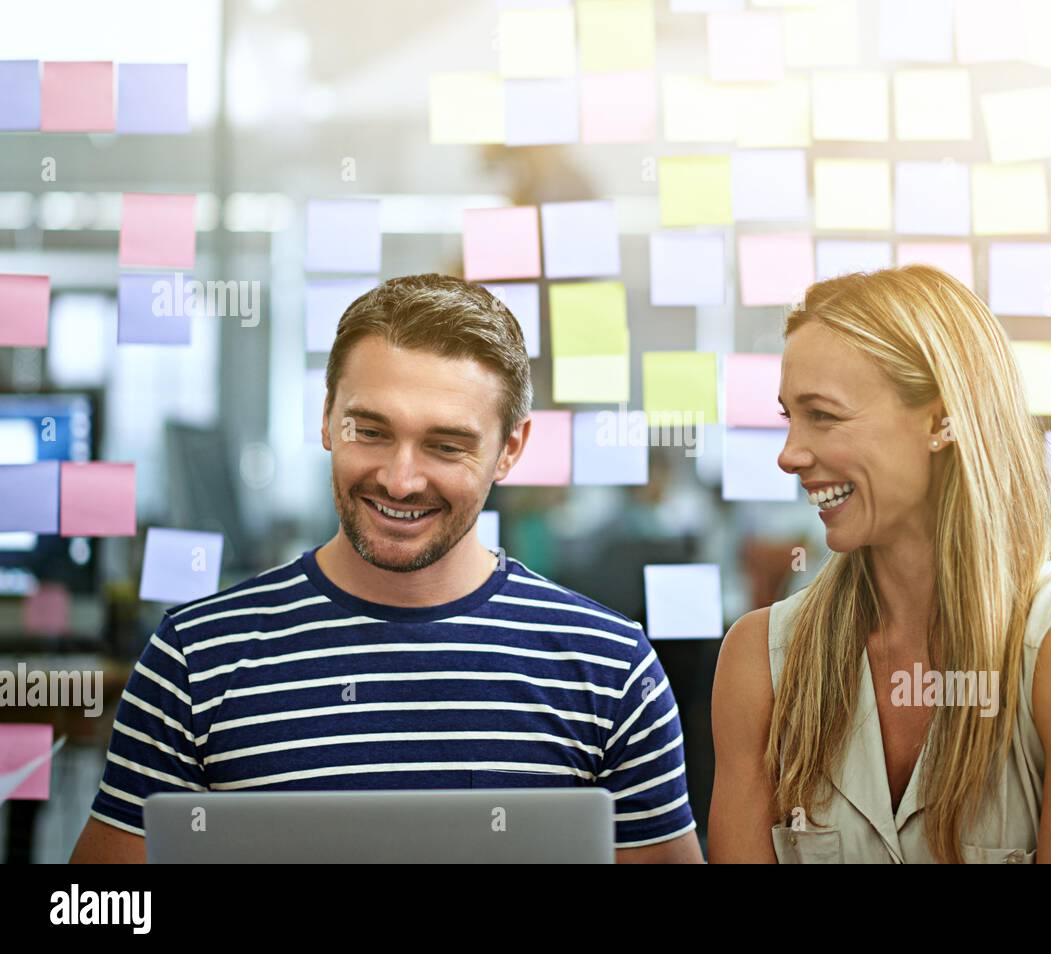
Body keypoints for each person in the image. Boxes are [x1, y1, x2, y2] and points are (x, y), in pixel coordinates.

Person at [71, 274, 702, 863]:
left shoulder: (610, 669)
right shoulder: (197, 656)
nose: (400, 480)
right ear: (327, 419)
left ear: (510, 450)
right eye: (370, 432)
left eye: (445, 445)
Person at [708, 265, 1051, 863]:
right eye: (791, 416)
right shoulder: (760, 663)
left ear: (942, 420)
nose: (790, 455)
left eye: (824, 415)